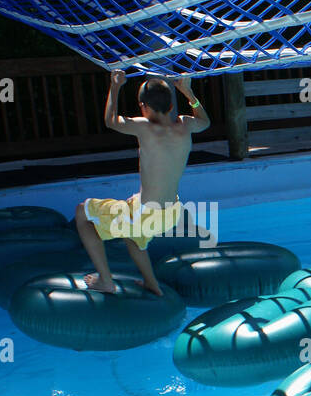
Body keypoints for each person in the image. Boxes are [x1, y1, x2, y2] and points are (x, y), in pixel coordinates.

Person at [73, 72, 210, 294]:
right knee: (133, 234)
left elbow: (111, 121)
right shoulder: (185, 124)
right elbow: (205, 121)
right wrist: (188, 93)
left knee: (82, 213)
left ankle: (105, 281)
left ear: (143, 106)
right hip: (172, 212)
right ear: (170, 105)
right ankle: (151, 283)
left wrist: (115, 86)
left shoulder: (144, 127)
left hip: (146, 213)